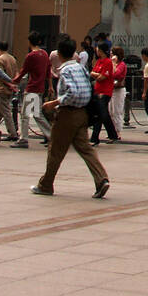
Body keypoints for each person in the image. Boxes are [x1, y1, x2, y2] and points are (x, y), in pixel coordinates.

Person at [32, 35, 109, 198]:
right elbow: (87, 88)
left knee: (56, 150)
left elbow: (72, 92)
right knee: (85, 148)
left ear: (59, 54)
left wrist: (54, 103)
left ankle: (46, 184)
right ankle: (101, 179)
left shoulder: (65, 70)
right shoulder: (81, 67)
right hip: (83, 114)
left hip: (67, 114)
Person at [11, 32, 52, 148]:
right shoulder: (44, 54)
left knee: (25, 115)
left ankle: (24, 139)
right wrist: (50, 86)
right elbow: (48, 71)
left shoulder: (31, 56)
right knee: (36, 114)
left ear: (30, 42)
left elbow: (23, 71)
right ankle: (51, 136)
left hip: (32, 89)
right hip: (40, 88)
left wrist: (13, 81)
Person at [89, 41, 119, 144]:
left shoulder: (107, 62)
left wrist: (95, 75)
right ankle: (113, 135)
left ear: (100, 50)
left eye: (97, 48)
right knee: (104, 114)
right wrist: (97, 74)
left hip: (105, 92)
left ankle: (94, 138)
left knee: (99, 114)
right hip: (97, 91)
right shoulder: (98, 61)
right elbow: (92, 73)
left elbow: (102, 77)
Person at [0, 41, 19, 143]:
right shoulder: (12, 59)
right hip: (10, 89)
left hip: (2, 88)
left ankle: (13, 133)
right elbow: (16, 73)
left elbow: (0, 75)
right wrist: (14, 85)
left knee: (5, 112)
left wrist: (9, 84)